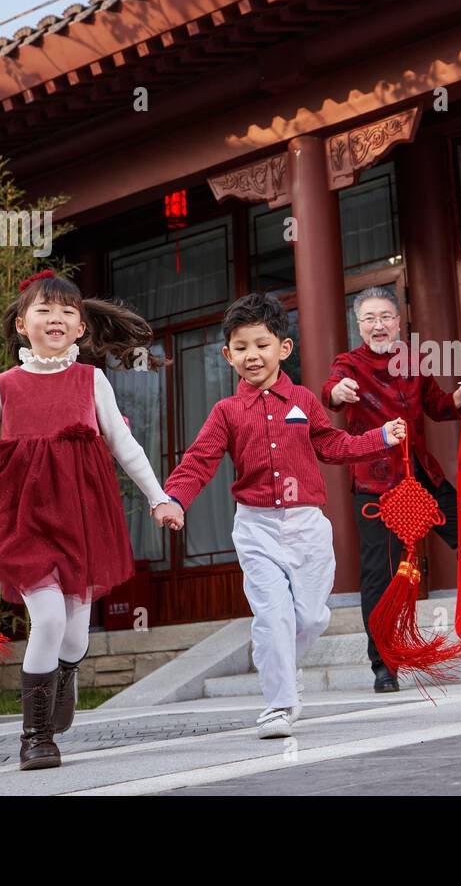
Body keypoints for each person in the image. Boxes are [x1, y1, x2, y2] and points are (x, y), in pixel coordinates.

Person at [153, 293, 406, 739]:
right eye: (242, 347)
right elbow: (199, 460)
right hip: (256, 527)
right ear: (228, 355)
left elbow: (333, 445)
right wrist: (174, 498)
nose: (253, 356)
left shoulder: (305, 400)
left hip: (307, 524)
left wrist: (378, 436)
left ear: (283, 349)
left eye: (262, 345)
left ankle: (283, 666)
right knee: (272, 616)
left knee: (310, 619)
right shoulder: (225, 412)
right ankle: (279, 703)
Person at [0, 270, 176, 770]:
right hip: (22, 520)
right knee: (48, 618)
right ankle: (36, 737)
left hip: (83, 518)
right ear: (21, 323)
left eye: (68, 311)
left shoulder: (91, 380)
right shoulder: (3, 385)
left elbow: (124, 444)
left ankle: (64, 675)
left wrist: (160, 498)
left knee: (74, 635)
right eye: (44, 309)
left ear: (81, 329)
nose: (56, 318)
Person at [322, 286, 461, 694]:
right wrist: (337, 393)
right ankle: (384, 664)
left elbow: (437, 406)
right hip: (376, 484)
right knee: (380, 574)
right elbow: (332, 391)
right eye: (369, 319)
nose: (378, 325)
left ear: (398, 322)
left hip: (423, 479)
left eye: (385, 318)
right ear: (359, 325)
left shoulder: (412, 361)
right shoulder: (348, 364)